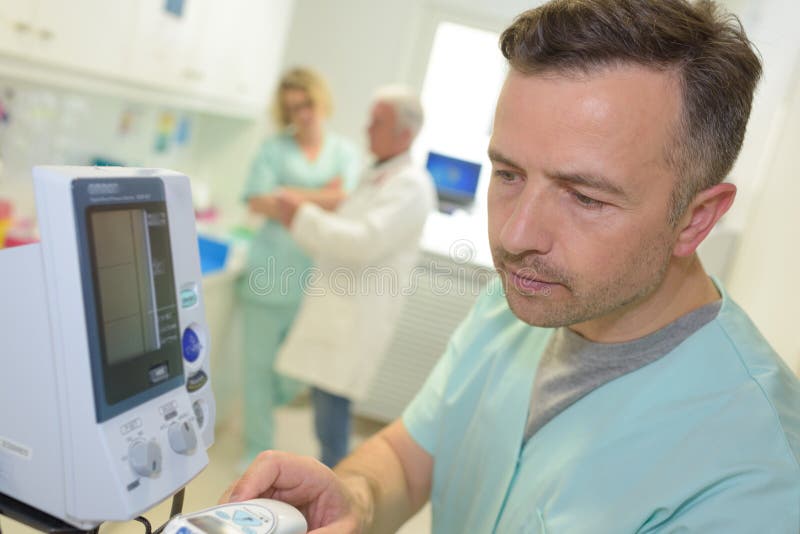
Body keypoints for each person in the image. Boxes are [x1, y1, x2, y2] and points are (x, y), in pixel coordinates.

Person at [223, 1, 800, 532]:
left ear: (696, 220)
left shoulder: (755, 477)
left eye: (585, 197)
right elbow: (406, 456)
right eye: (508, 174)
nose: (515, 236)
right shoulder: (510, 305)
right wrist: (355, 499)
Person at [271, 86, 436, 468]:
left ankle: (333, 495)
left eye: (376, 122)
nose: (366, 128)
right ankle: (329, 481)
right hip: (338, 311)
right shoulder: (376, 174)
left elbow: (365, 241)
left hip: (354, 317)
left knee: (332, 417)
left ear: (404, 135)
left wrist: (303, 215)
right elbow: (347, 228)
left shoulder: (411, 185)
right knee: (327, 410)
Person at [237, 67, 360, 468]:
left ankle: (267, 418)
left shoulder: (344, 152)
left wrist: (289, 195)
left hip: (312, 278)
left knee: (294, 372)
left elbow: (346, 200)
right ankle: (257, 451)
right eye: (292, 109)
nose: (301, 114)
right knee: (256, 369)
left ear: (320, 100)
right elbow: (257, 200)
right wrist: (322, 196)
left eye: (306, 104)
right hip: (267, 271)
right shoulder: (274, 149)